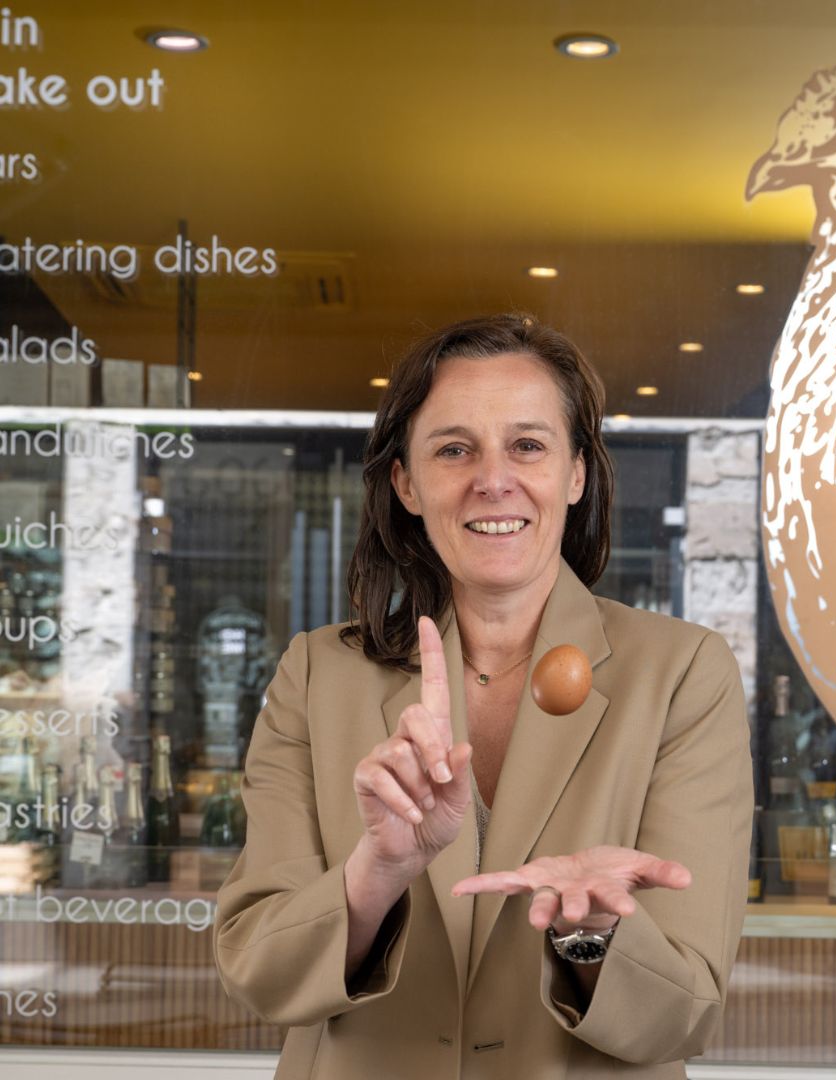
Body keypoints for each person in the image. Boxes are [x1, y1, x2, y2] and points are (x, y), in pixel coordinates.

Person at [212, 313, 753, 1078]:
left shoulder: (682, 673)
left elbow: (686, 1011)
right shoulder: (316, 675)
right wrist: (377, 874)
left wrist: (590, 930)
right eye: (454, 449)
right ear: (406, 483)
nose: (492, 479)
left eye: (527, 445)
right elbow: (258, 970)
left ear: (576, 474)